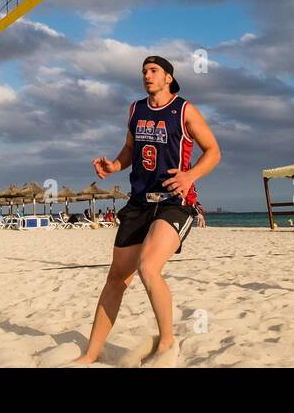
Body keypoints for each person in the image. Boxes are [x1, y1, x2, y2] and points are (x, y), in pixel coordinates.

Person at [75, 55, 221, 366]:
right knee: (116, 278)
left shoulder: (184, 110)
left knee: (148, 267)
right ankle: (90, 354)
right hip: (139, 202)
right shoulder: (135, 109)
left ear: (169, 77)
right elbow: (130, 149)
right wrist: (114, 165)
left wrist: (190, 175)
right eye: (144, 71)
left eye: (153, 71)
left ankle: (167, 343)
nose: (147, 75)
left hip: (174, 202)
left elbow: (214, 151)